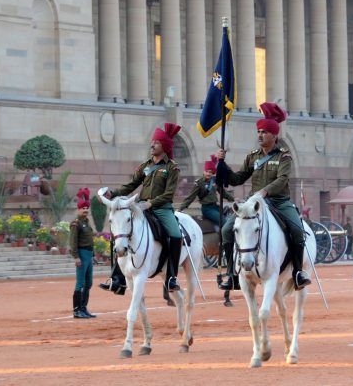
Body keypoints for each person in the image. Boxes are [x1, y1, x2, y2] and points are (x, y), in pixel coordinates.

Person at [216, 102, 312, 291]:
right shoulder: (252, 156)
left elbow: (282, 179)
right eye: (259, 131)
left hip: (279, 202)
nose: (260, 135)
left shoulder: (284, 157)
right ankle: (232, 273)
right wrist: (223, 165)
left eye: (264, 132)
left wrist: (264, 192)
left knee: (297, 231)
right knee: (227, 230)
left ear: (274, 135)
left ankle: (298, 272)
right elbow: (237, 179)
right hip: (254, 204)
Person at [99, 123, 184, 293]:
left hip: (161, 208)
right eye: (152, 142)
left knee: (175, 235)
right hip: (140, 207)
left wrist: (150, 204)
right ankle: (118, 278)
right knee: (123, 231)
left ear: (165, 146)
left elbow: (168, 194)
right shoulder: (145, 166)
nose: (152, 145)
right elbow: (131, 185)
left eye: (157, 142)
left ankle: (171, 278)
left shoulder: (171, 168)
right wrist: (113, 193)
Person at [177, 155, 234, 226]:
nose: (208, 173)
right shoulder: (199, 183)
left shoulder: (214, 181)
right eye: (207, 171)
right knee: (224, 222)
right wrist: (180, 208)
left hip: (216, 207)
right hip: (207, 209)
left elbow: (223, 193)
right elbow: (190, 197)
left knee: (232, 218)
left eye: (210, 172)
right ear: (204, 172)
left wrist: (233, 199)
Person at [71, 188, 96, 318]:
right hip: (81, 254)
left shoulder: (86, 222)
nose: (85, 210)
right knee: (80, 283)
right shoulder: (76, 223)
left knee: (89, 283)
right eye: (83, 208)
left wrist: (93, 255)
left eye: (87, 207)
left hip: (88, 254)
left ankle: (84, 308)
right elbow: (73, 241)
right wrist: (75, 257)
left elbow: (90, 240)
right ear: (78, 209)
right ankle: (76, 310)